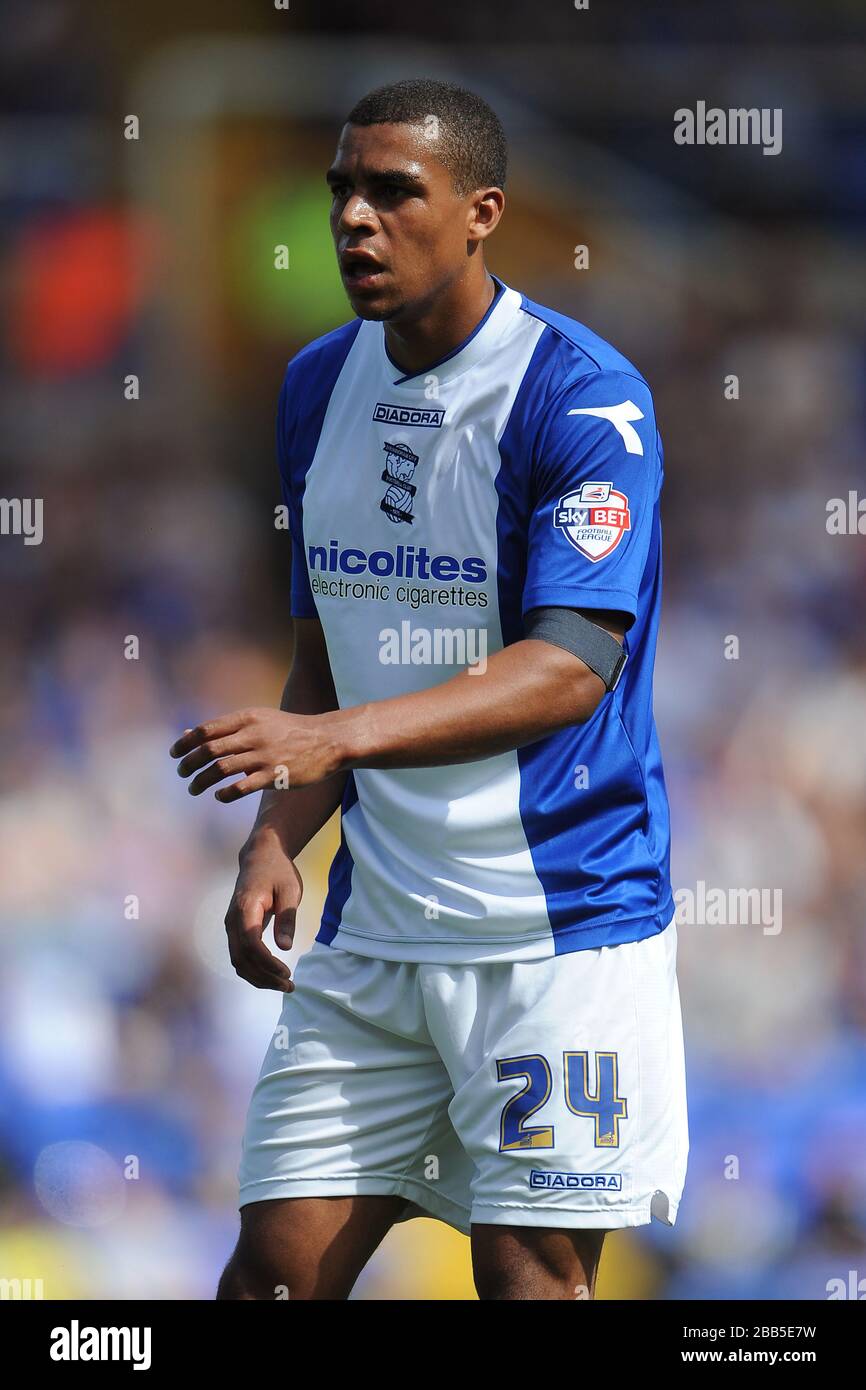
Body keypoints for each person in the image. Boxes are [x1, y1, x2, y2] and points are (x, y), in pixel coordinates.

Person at [171, 77, 688, 1301]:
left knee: (526, 1280)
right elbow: (325, 649)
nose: (354, 219)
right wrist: (277, 837)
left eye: (393, 191)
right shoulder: (312, 385)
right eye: (342, 190)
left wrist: (327, 738)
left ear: (479, 213)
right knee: (270, 1280)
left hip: (556, 935)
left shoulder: (581, 399)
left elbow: (565, 670)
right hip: (378, 936)